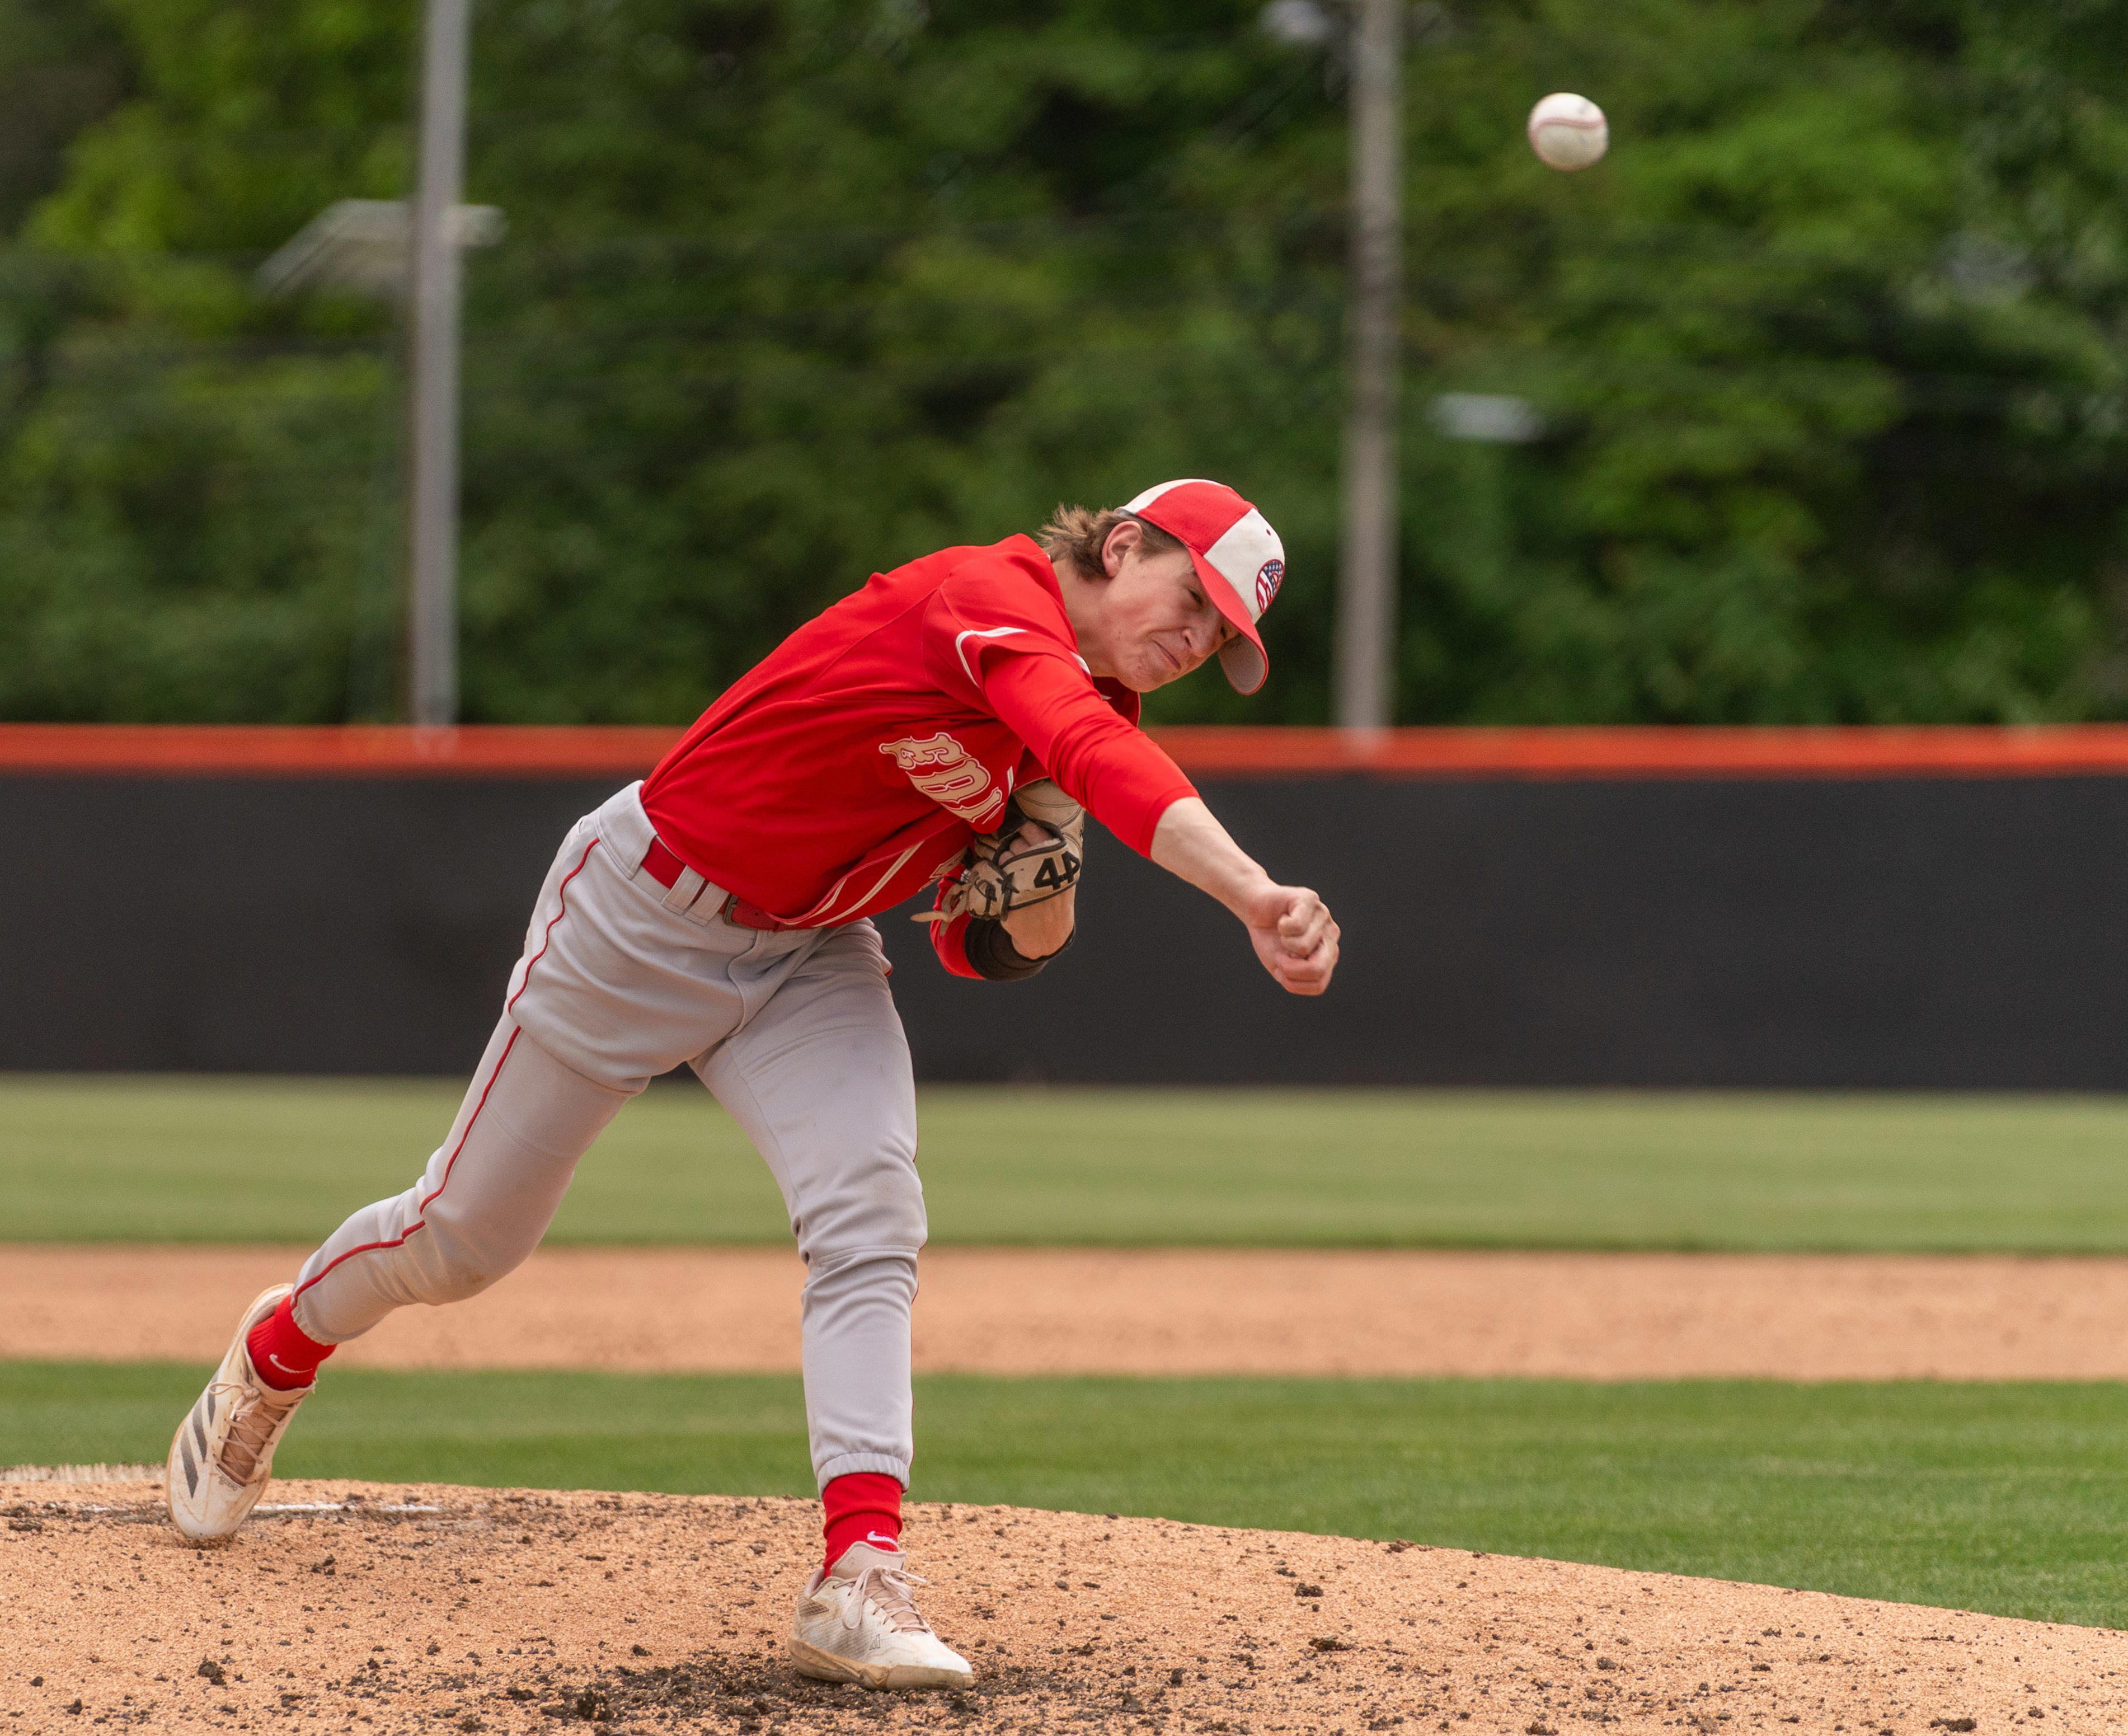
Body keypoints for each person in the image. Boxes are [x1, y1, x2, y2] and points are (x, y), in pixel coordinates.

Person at [164, 477, 1341, 1689]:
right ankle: (277, 1350)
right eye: (1192, 600)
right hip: (637, 917)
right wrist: (1255, 894)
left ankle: (859, 1576)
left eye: (1220, 640)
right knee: (463, 1242)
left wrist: (1030, 919)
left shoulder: (1083, 712)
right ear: (1125, 544)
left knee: (871, 1212)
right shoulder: (979, 598)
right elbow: (1102, 755)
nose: (1195, 643)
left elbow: (970, 943)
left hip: (808, 953)